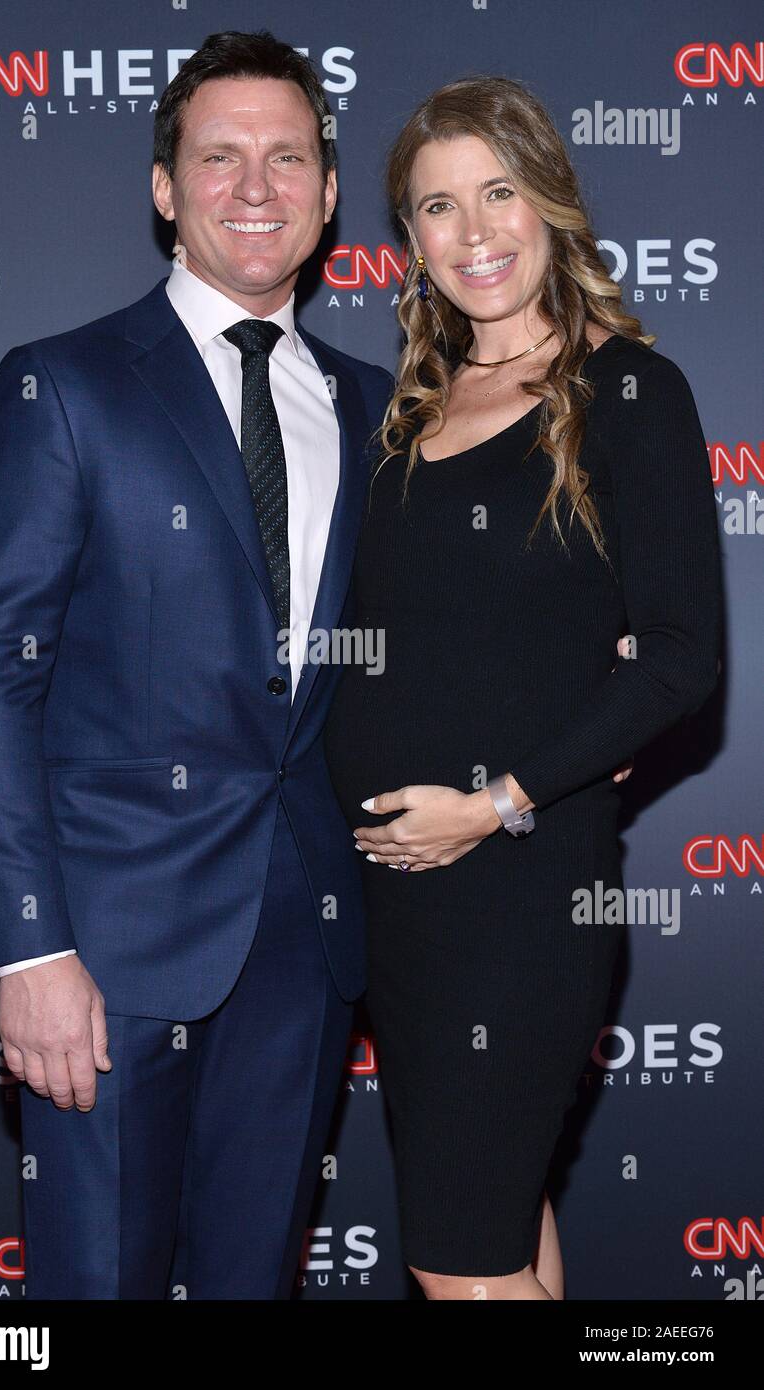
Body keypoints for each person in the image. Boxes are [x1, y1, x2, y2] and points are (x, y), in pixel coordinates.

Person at [0, 30, 393, 1300]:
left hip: (303, 942)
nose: (256, 187)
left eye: (287, 157)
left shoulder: (373, 405)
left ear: (328, 190)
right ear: (163, 188)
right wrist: (28, 952)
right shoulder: (65, 388)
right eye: (220, 157)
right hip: (106, 955)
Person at [323, 75, 724, 1301]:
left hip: (518, 895)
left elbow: (676, 656)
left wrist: (493, 803)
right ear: (408, 237)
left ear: (549, 201)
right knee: (501, 1230)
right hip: (402, 905)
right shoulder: (406, 407)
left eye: (497, 192)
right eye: (437, 207)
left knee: (457, 1263)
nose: (474, 230)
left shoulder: (627, 393)